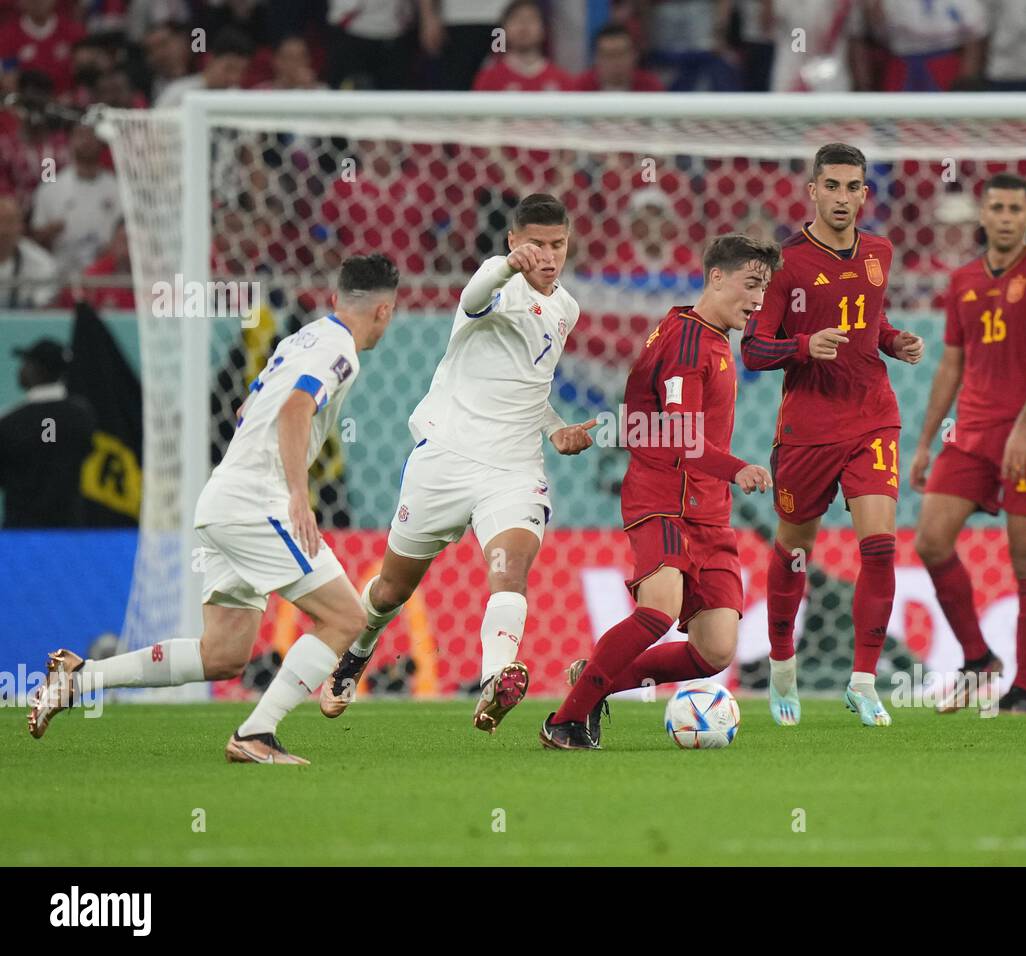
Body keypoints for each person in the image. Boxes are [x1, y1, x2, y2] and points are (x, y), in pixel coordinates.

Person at [28, 255, 401, 764]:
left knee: (223, 654)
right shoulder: (342, 353)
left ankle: (80, 678)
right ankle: (256, 733)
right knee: (345, 617)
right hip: (257, 503)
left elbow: (248, 407)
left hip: (223, 498)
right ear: (385, 311)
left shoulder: (300, 339)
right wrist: (297, 492)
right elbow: (295, 408)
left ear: (335, 299)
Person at [318, 194, 596, 734]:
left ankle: (496, 679)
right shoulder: (493, 289)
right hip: (445, 458)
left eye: (558, 244)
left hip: (514, 468)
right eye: (535, 244)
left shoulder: (567, 308)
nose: (548, 255)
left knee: (509, 569)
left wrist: (556, 427)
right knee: (392, 590)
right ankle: (357, 650)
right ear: (514, 242)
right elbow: (474, 292)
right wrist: (504, 268)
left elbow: (526, 386)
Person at [541, 234, 779, 750]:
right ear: (716, 276)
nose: (759, 298)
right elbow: (681, 437)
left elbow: (665, 425)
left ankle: (595, 679)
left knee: (714, 651)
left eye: (765, 287)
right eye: (751, 283)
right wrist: (738, 468)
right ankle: (565, 720)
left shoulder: (707, 337)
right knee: (659, 610)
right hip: (663, 498)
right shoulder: (687, 341)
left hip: (708, 510)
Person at [741, 142, 924, 727]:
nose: (843, 198)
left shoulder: (879, 252)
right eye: (833, 187)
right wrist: (802, 346)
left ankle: (864, 681)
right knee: (795, 552)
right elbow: (751, 348)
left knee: (880, 546)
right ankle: (783, 668)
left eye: (853, 188)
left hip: (873, 415)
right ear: (813, 191)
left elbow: (871, 320)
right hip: (807, 429)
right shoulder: (783, 264)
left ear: (865, 195)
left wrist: (894, 342)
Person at [909, 173, 1026, 716]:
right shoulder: (961, 280)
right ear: (983, 217)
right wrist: (925, 441)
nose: (1005, 216)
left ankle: (1025, 688)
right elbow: (951, 365)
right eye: (997, 208)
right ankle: (979, 659)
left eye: (1015, 208)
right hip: (971, 432)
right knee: (931, 541)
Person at [0, 338, 95, 528]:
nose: (21, 370)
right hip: (71, 530)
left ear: (40, 370)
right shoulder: (82, 416)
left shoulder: (11, 422)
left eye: (26, 364)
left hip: (22, 532)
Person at [30, 123, 121, 276]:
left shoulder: (118, 188)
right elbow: (35, 240)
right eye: (80, 135)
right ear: (70, 141)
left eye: (91, 135)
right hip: (60, 274)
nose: (86, 141)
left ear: (101, 142)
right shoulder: (50, 188)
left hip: (106, 277)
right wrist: (48, 232)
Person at [471, 0, 572, 91]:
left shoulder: (562, 80)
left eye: (530, 19)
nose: (524, 26)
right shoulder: (489, 79)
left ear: (544, 29)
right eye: (516, 19)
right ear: (503, 29)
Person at [0, 194, 59, 308]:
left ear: (21, 227)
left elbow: (42, 306)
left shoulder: (42, 263)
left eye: (9, 222)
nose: (3, 230)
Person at [572, 23, 663, 92]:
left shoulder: (650, 87)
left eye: (621, 54)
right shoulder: (580, 88)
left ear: (634, 55)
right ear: (597, 58)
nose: (616, 61)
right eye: (609, 55)